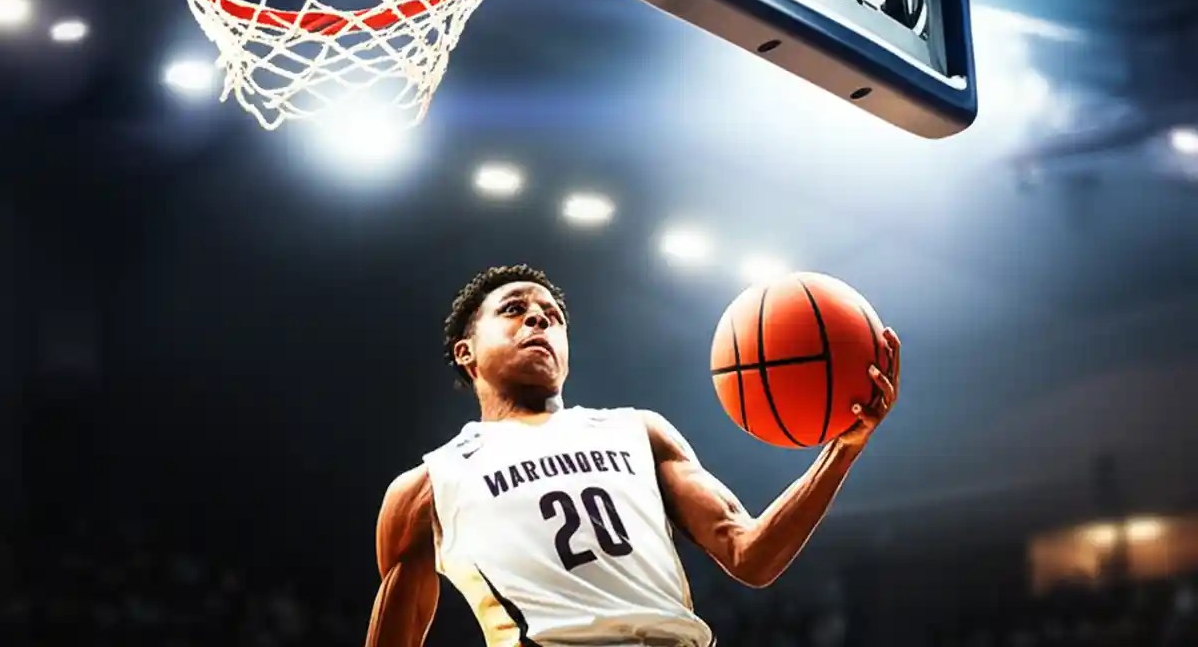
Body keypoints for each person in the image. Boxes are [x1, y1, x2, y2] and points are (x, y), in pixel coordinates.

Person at [365, 265, 900, 647]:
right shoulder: (429, 485)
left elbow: (750, 554)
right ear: (466, 352)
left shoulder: (638, 431)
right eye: (514, 310)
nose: (538, 321)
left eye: (551, 316)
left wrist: (843, 450)